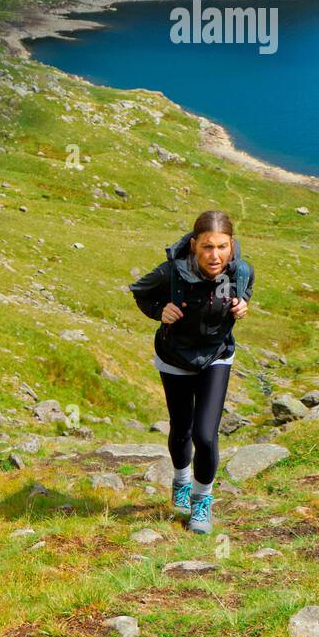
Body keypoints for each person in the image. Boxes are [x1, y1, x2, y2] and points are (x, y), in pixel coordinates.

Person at [129, 210, 254, 534]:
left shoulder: (240, 271)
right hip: (175, 358)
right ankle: (181, 481)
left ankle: (202, 501)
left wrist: (243, 305)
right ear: (195, 245)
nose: (215, 256)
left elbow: (246, 289)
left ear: (232, 245)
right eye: (208, 247)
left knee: (205, 434)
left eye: (222, 247)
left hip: (216, 355)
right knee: (182, 429)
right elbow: (140, 291)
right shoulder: (172, 271)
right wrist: (160, 311)